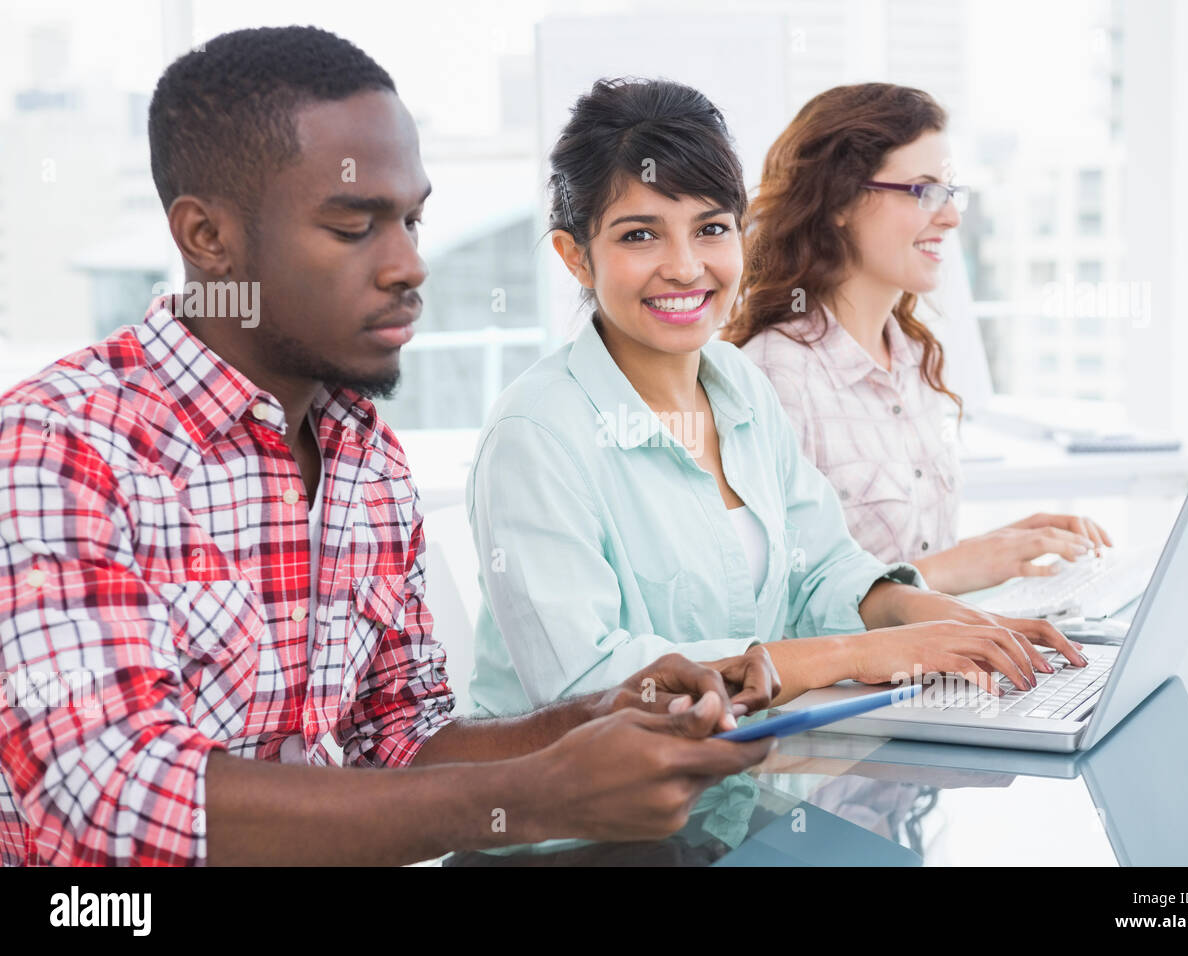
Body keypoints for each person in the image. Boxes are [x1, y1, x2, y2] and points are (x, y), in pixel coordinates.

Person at [0, 27, 778, 867]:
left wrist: (588, 720)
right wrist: (530, 794)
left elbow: (398, 740)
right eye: (353, 226)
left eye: (411, 219)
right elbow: (119, 795)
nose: (409, 264)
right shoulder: (60, 446)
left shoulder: (365, 452)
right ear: (207, 238)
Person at [466, 77, 1088, 721]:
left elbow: (821, 568)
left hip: (742, 784)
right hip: (594, 815)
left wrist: (947, 622)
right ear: (576, 256)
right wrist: (851, 655)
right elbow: (584, 683)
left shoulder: (740, 385)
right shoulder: (535, 435)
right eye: (640, 236)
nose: (684, 267)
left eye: (710, 228)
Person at [727, 83, 1112, 596]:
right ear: (839, 200)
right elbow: (777, 606)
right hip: (851, 679)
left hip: (935, 665)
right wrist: (965, 564)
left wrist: (1009, 545)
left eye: (950, 193)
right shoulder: (774, 377)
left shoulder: (913, 358)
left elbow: (911, 564)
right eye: (924, 191)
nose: (951, 217)